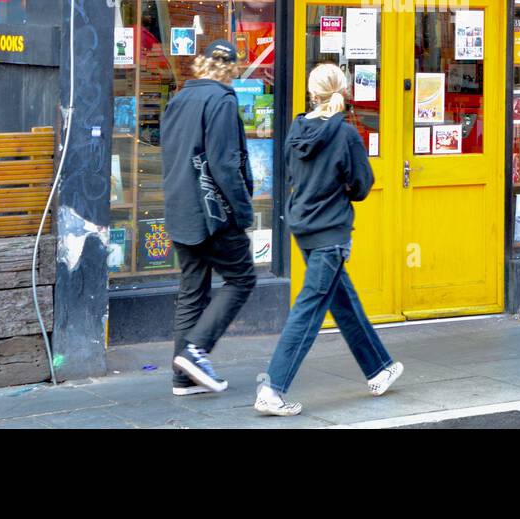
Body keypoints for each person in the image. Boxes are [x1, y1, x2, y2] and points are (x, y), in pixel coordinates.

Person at [255, 63, 403, 416]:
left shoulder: (296, 128)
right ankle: (272, 388)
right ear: (343, 91)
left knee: (341, 299)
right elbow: (362, 186)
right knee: (310, 308)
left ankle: (379, 367)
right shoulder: (345, 134)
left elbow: (293, 174)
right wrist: (344, 187)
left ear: (312, 92)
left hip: (303, 227)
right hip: (331, 232)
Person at [161, 39, 257, 396]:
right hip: (214, 214)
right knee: (242, 278)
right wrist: (243, 211)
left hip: (180, 210)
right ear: (230, 69)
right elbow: (224, 164)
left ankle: (183, 377)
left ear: (202, 64)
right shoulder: (221, 101)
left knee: (192, 290)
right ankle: (195, 351)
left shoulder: (180, 98)